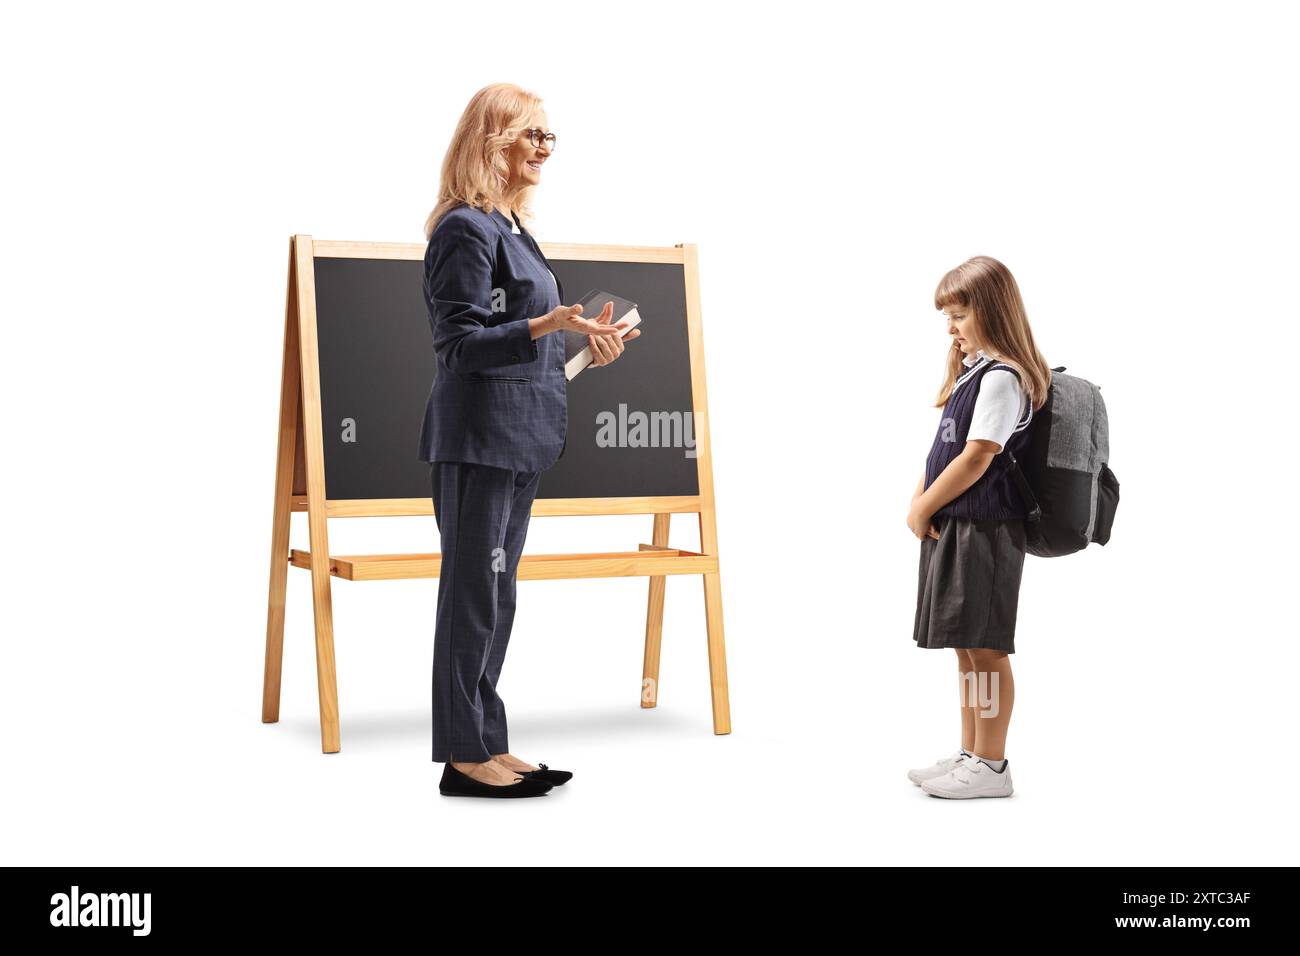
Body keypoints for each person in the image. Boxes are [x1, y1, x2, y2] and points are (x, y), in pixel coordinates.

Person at [418, 83, 639, 798]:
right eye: (531, 133)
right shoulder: (464, 229)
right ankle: (462, 755)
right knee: (473, 595)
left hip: (521, 438)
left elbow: (530, 343)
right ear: (492, 140)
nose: (545, 146)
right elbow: (459, 346)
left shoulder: (513, 229)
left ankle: (489, 742)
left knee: (497, 594)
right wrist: (545, 327)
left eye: (550, 135)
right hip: (480, 441)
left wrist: (586, 346)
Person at [906, 256, 1051, 799]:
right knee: (967, 646)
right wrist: (920, 500)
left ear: (990, 311)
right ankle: (972, 753)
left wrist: (922, 509)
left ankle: (991, 765)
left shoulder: (1002, 378)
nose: (950, 326)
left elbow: (976, 457)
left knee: (985, 648)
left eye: (959, 314)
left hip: (985, 529)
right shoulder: (974, 373)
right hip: (959, 525)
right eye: (947, 315)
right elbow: (944, 452)